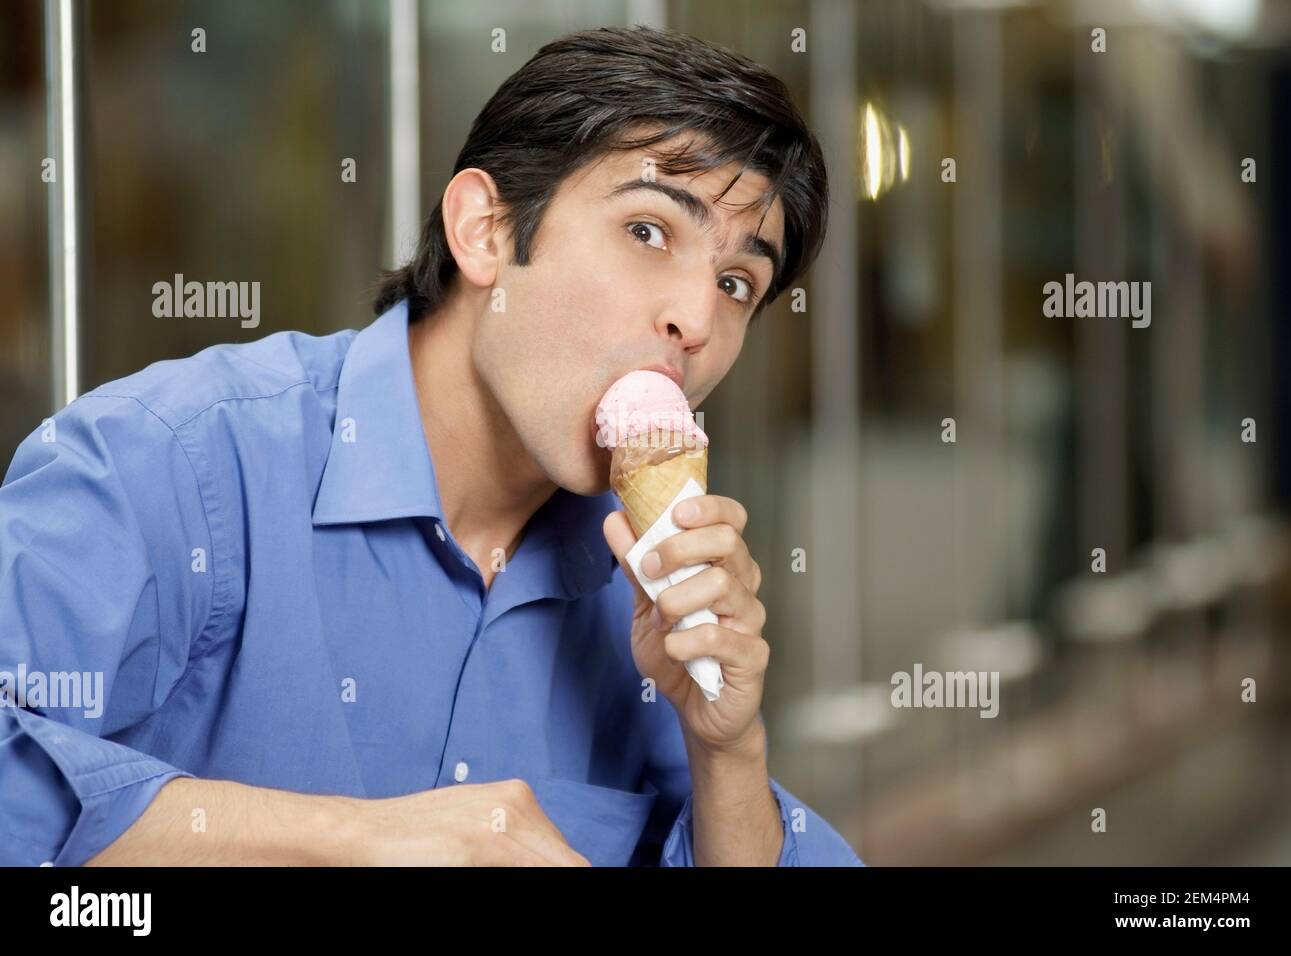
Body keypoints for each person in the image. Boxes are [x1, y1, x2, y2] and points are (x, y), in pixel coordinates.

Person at [0, 25, 861, 866]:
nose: (698, 320)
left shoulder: (650, 602)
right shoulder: (170, 463)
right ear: (484, 229)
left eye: (737, 281)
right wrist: (361, 840)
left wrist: (727, 747)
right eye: (647, 231)